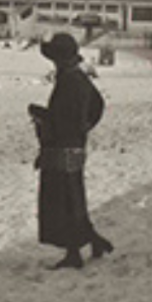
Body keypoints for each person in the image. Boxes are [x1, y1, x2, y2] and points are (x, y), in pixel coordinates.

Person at [31, 32, 113, 270]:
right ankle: (94, 242)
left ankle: (74, 254)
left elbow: (60, 120)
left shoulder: (69, 80)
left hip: (60, 148)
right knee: (74, 199)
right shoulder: (79, 78)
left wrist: (41, 118)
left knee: (61, 201)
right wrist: (84, 129)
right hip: (75, 147)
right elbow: (98, 105)